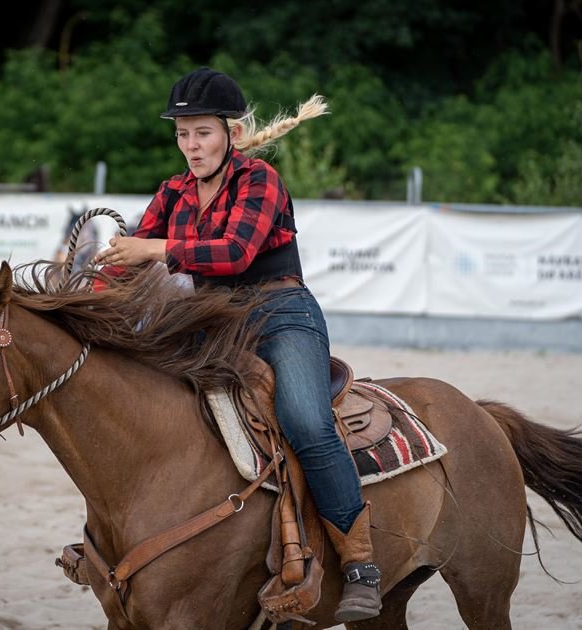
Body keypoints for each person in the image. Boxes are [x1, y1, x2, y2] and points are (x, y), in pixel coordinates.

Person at [93, 67, 381, 622]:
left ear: (231, 132)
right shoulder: (172, 192)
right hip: (212, 322)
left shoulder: (260, 181)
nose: (190, 145)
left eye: (202, 132)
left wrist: (152, 250)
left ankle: (360, 565)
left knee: (305, 419)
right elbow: (127, 266)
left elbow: (233, 254)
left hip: (281, 314)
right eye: (182, 134)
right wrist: (89, 295)